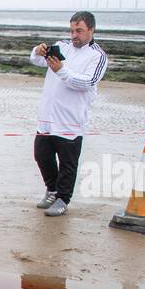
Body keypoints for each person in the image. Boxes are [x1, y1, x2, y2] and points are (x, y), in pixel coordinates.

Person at [29, 11, 108, 217]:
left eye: (79, 31)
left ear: (91, 30)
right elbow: (36, 61)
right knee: (41, 155)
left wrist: (61, 71)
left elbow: (87, 82)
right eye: (72, 30)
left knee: (67, 163)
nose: (74, 35)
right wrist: (37, 51)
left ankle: (63, 199)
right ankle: (52, 190)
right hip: (48, 116)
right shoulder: (62, 46)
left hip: (72, 119)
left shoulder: (98, 56)